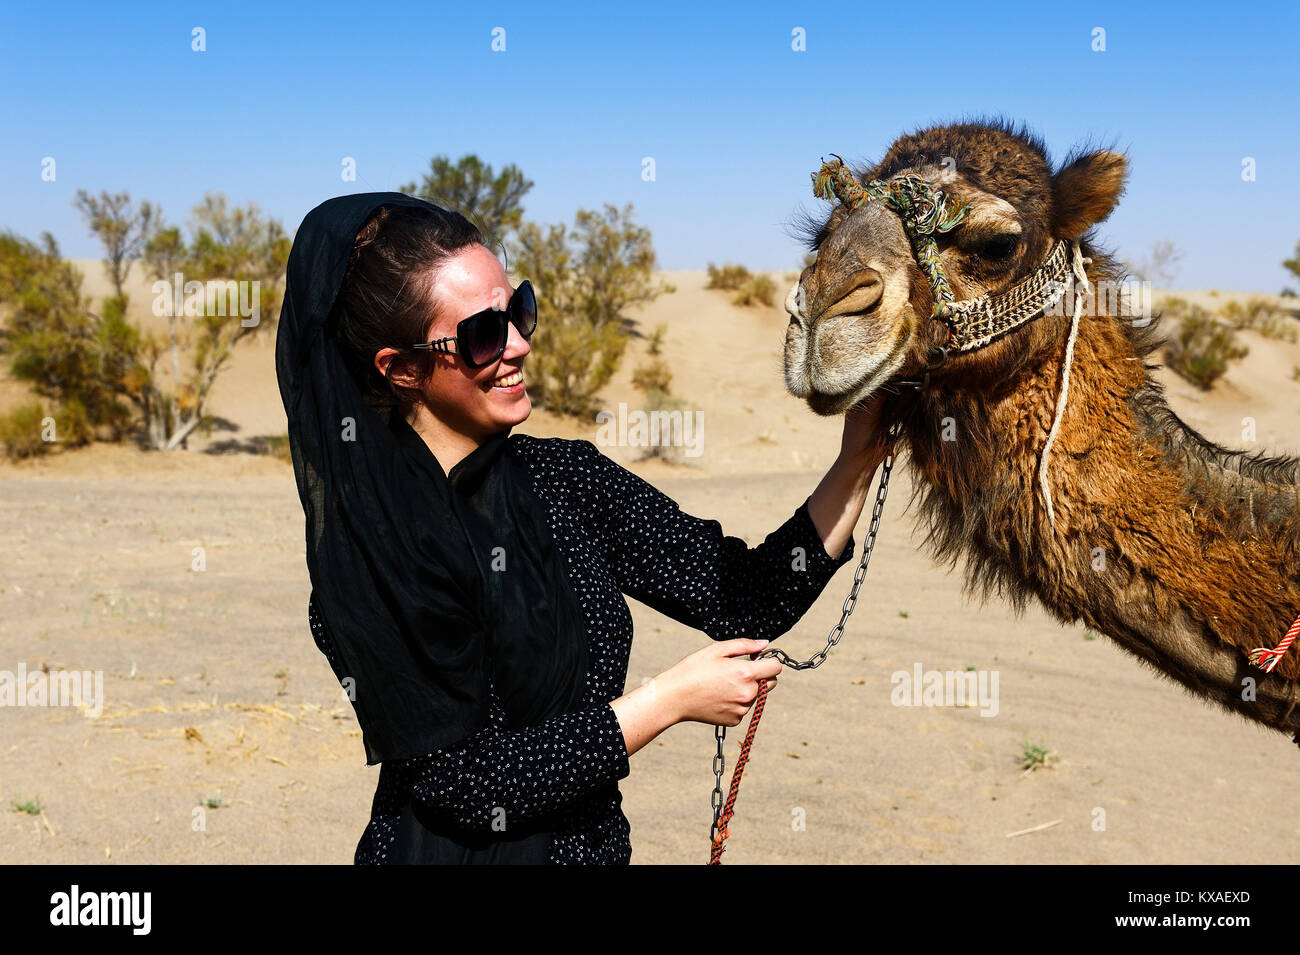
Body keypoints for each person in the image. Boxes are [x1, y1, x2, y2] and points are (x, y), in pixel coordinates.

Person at [275, 192, 891, 864]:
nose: (517, 344)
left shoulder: (567, 478)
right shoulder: (371, 550)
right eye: (482, 334)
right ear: (401, 368)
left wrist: (857, 456)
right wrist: (668, 700)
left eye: (519, 310)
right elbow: (464, 780)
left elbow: (745, 595)